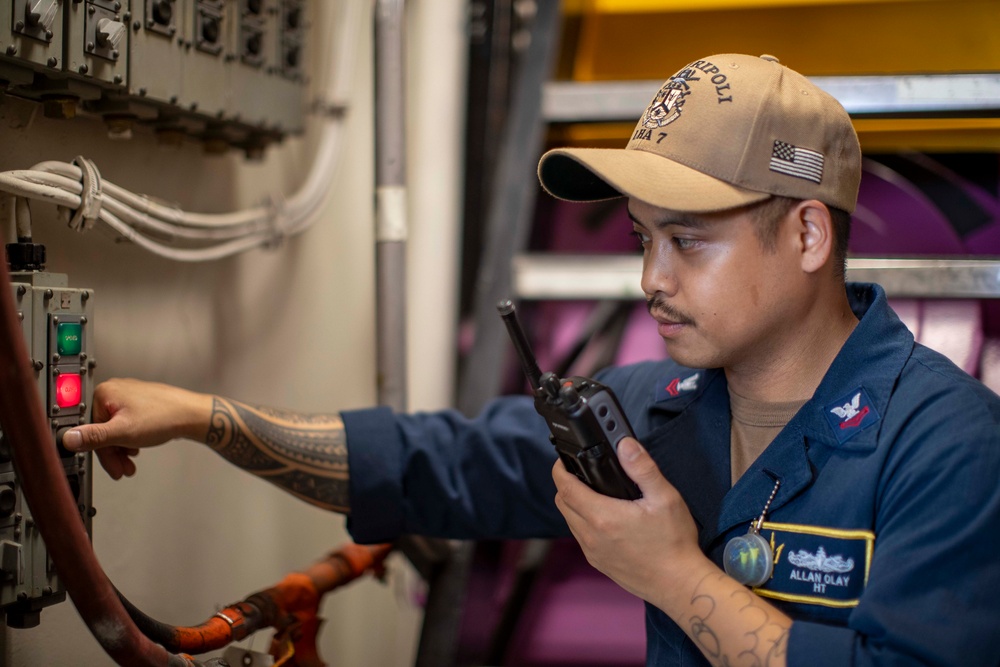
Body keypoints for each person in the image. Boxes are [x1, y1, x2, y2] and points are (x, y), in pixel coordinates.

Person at [63, 54, 1000, 666]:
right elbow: (439, 461)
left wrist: (676, 576)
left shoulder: (948, 446)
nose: (650, 278)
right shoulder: (655, 411)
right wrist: (207, 417)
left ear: (806, 234)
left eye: (687, 240)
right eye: (641, 238)